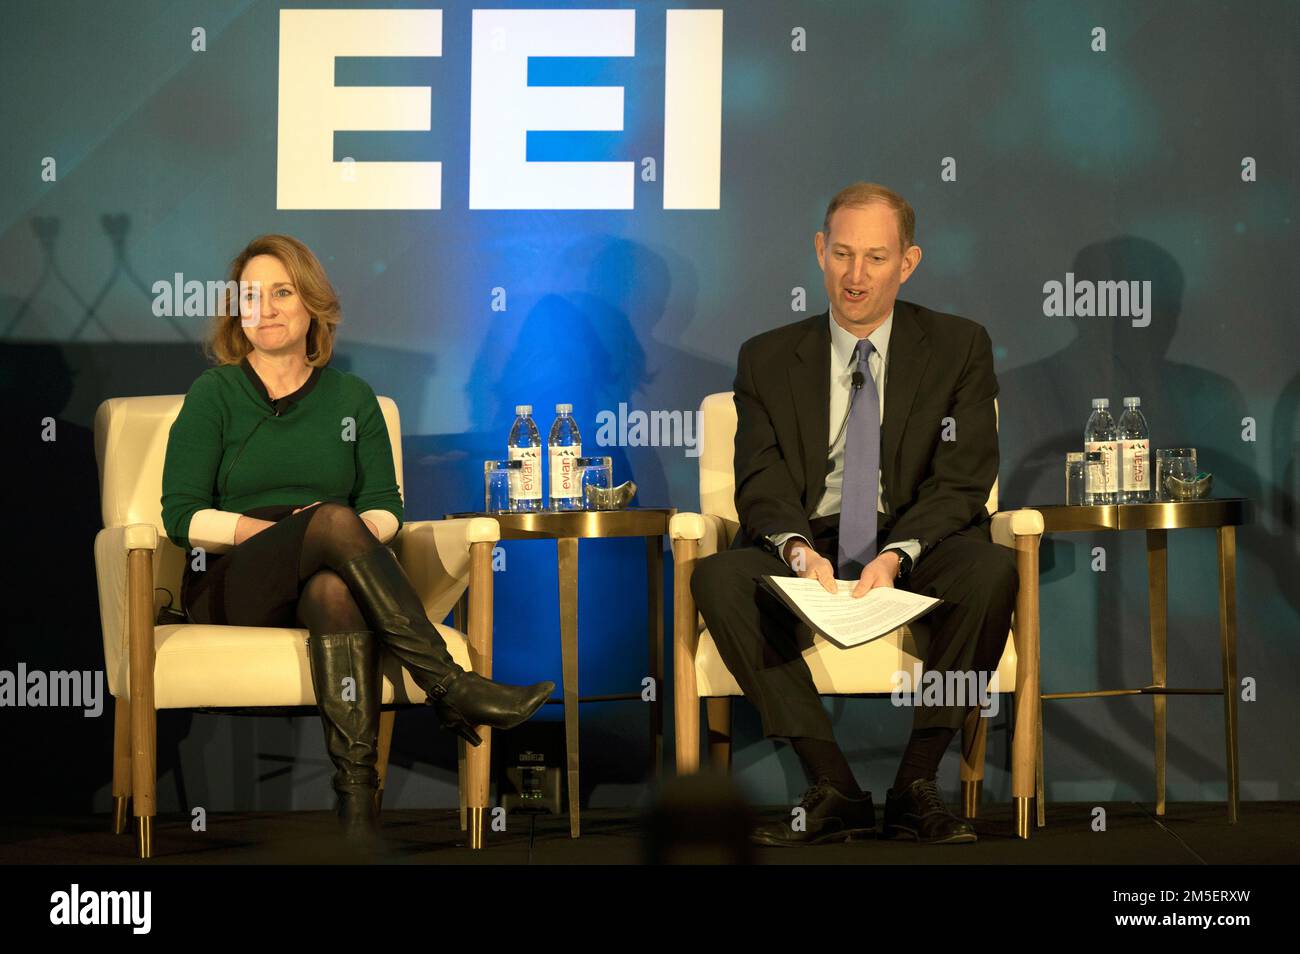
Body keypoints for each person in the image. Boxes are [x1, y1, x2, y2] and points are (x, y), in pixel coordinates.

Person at [160, 234, 554, 841]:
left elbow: (385, 508)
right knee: (331, 520)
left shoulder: (352, 398)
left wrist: (346, 540)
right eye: (250, 296)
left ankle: (357, 809)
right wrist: (288, 531)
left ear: (312, 303)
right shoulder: (215, 394)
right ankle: (448, 683)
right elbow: (180, 516)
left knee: (334, 591)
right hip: (234, 579)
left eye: (282, 292)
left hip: (326, 569)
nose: (264, 308)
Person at [691, 183, 1017, 846]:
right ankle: (830, 782)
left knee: (989, 571)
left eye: (875, 257)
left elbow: (963, 481)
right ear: (819, 252)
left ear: (909, 261)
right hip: (812, 538)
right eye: (842, 254)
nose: (855, 276)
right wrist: (796, 552)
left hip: (919, 540)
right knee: (717, 577)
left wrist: (897, 556)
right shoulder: (767, 356)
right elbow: (761, 480)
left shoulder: (958, 346)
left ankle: (917, 785)